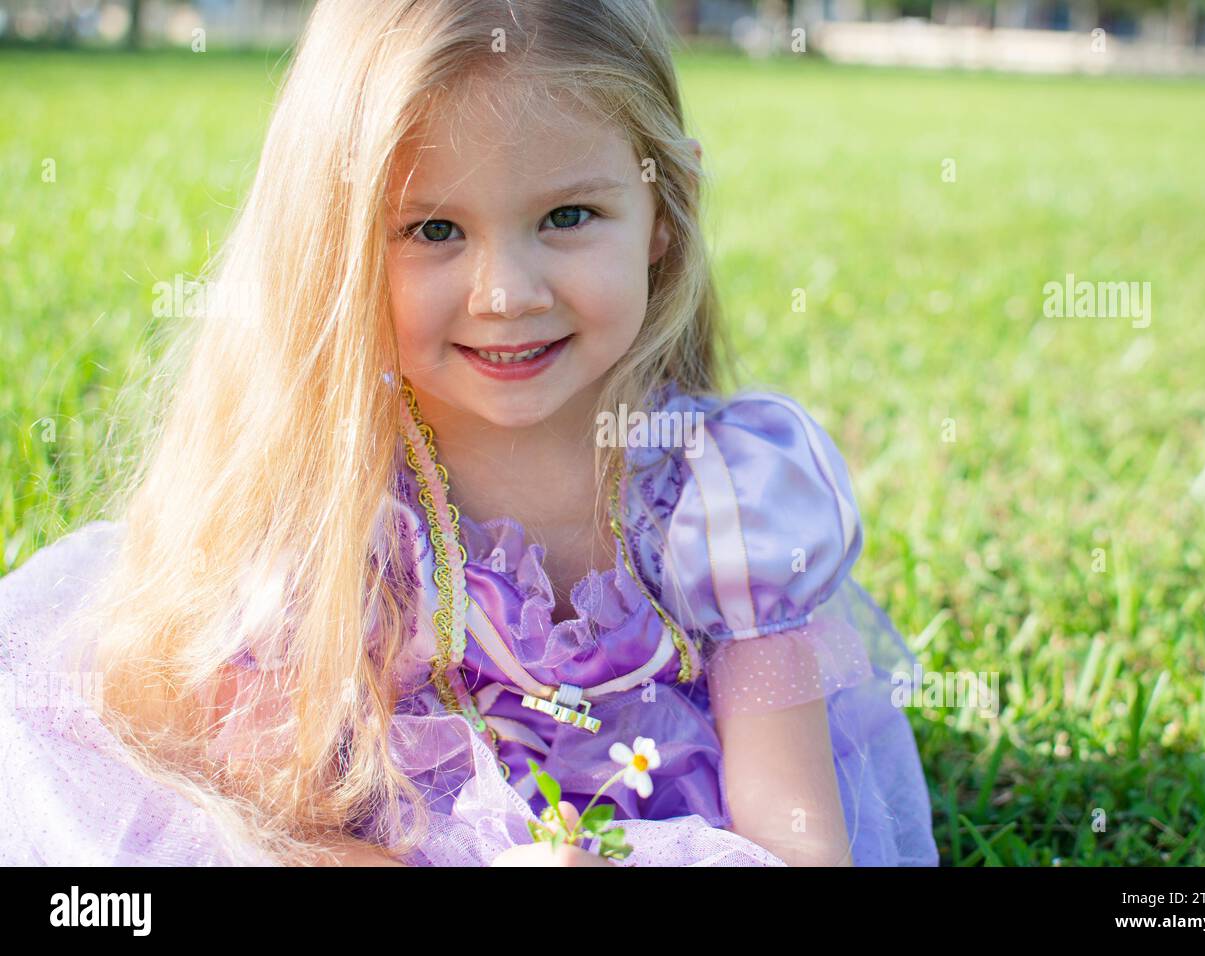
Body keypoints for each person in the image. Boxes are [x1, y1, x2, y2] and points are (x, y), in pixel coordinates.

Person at [0, 0, 938, 867]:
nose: (506, 294)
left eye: (569, 216)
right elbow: (275, 835)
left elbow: (800, 845)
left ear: (664, 210)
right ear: (336, 240)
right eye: (433, 229)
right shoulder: (323, 510)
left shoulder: (730, 492)